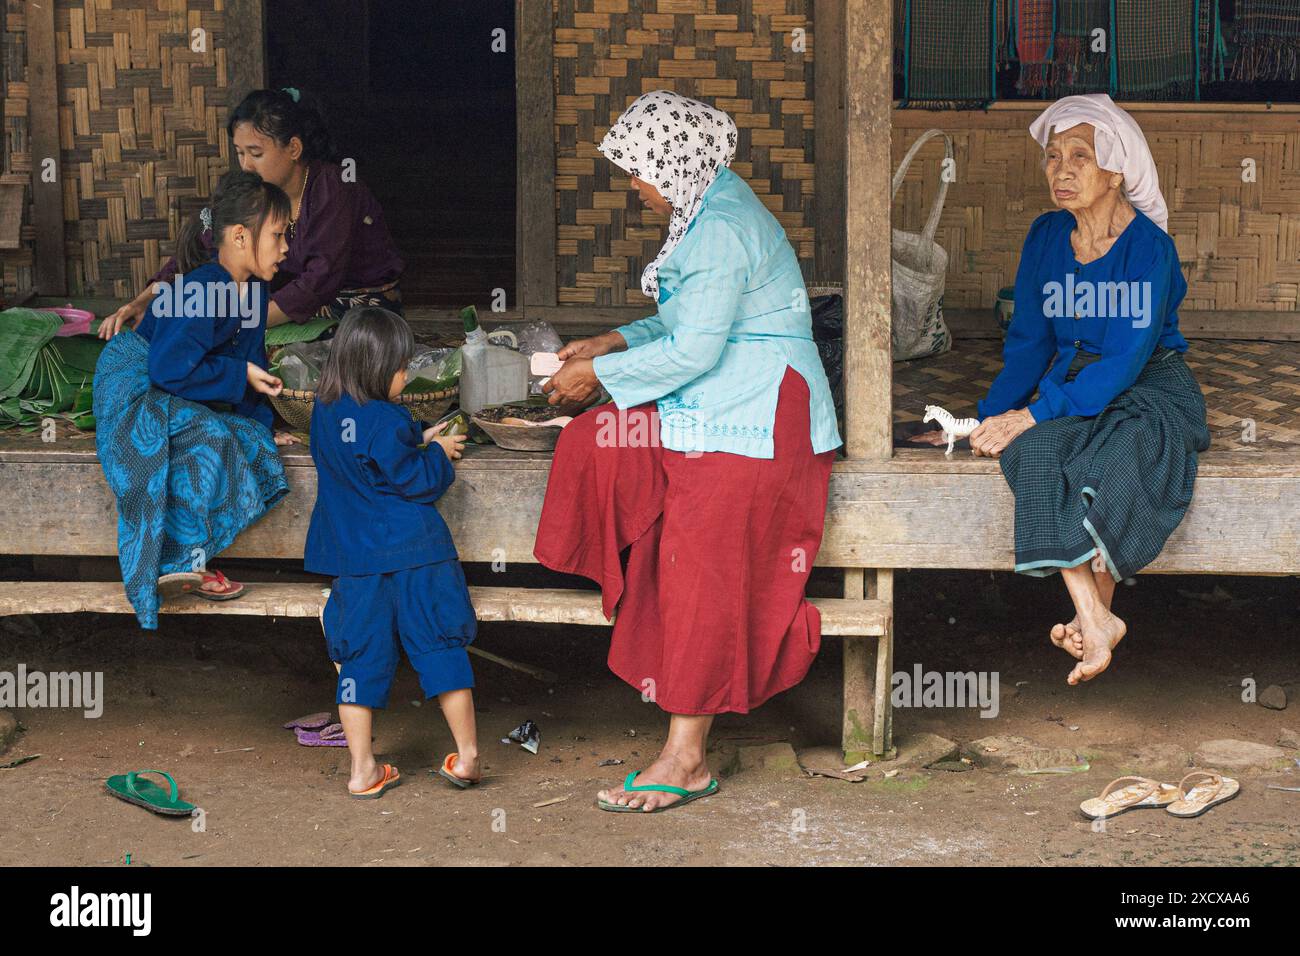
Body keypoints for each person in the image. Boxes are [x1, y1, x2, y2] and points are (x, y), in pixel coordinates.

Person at [533, 91, 842, 813]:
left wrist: (600, 375)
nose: (634, 185)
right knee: (597, 442)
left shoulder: (721, 226)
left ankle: (686, 756)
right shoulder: (705, 208)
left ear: (675, 164)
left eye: (638, 170)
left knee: (699, 558)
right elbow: (689, 325)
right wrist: (613, 343)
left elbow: (698, 347)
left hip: (762, 423)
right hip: (719, 402)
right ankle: (619, 569)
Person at [915, 94, 1210, 685]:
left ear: (1117, 170)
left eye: (1080, 155)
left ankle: (1094, 615)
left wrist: (1036, 412)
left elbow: (1126, 358)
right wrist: (994, 415)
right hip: (1070, 383)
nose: (1062, 170)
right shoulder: (1047, 236)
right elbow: (1028, 340)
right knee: (1031, 450)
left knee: (1125, 454)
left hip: (1149, 382)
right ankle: (1095, 616)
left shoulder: (1149, 248)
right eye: (1053, 157)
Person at [93, 169, 296, 628]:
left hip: (173, 381)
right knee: (208, 433)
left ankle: (190, 557)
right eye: (279, 235)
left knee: (250, 438)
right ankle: (179, 562)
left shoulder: (255, 291)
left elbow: (246, 364)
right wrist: (238, 374)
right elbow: (167, 369)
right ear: (241, 237)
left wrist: (264, 420)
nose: (286, 248)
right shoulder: (204, 288)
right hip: (134, 379)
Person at [305, 306, 478, 799]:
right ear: (378, 369)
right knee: (441, 645)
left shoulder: (326, 409)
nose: (406, 374)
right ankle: (467, 758)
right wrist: (439, 455)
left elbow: (369, 457)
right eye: (402, 367)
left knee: (358, 659)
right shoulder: (386, 416)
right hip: (415, 553)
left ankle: (362, 770)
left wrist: (418, 437)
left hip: (356, 563)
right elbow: (412, 479)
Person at [99, 87, 405, 339]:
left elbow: (317, 284)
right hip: (283, 300)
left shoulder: (334, 189)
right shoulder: (255, 191)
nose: (246, 165)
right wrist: (145, 301)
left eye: (256, 153)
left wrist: (235, 325)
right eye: (240, 152)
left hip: (356, 305)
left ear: (294, 148)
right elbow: (199, 250)